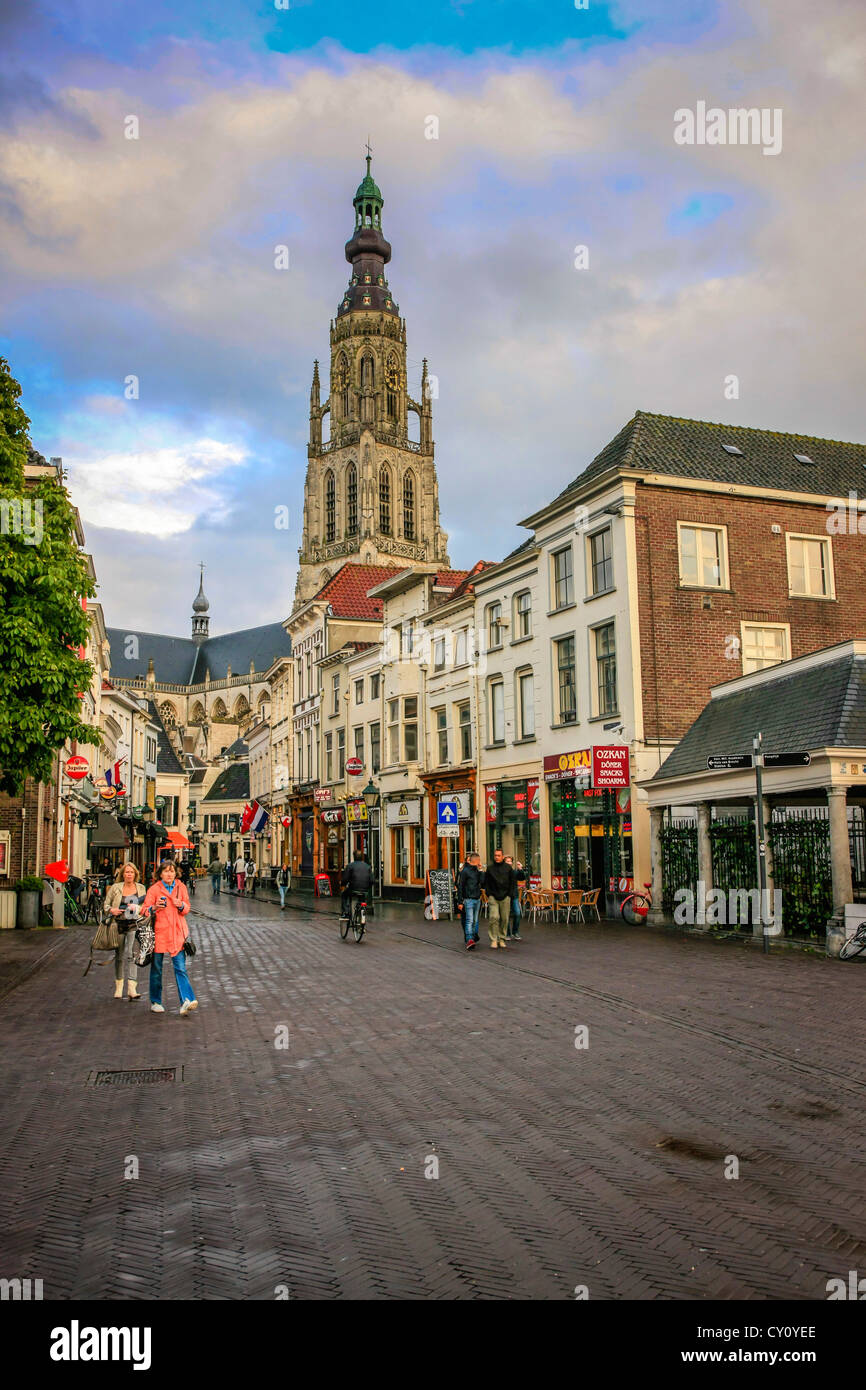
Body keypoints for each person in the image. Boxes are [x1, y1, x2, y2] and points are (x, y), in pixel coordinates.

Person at [141, 860, 197, 1015]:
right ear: (160, 873)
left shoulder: (181, 887)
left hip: (177, 933)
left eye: (172, 871)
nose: (169, 874)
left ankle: (186, 1000)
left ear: (175, 873)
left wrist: (180, 905)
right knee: (157, 968)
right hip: (159, 933)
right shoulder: (154, 889)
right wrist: (154, 907)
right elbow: (144, 910)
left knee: (180, 967)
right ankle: (156, 1001)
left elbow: (186, 908)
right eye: (166, 871)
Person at [104, 862, 146, 1000]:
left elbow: (145, 907)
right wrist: (112, 910)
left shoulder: (141, 888)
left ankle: (132, 988)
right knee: (119, 955)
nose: (129, 874)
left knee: (131, 953)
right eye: (127, 872)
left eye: (131, 872)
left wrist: (138, 909)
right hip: (118, 924)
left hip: (134, 924)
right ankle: (119, 986)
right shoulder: (116, 888)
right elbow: (106, 904)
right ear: (122, 874)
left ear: (135, 874)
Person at [483, 848, 514, 950]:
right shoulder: (490, 868)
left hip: (505, 896)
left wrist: (509, 894)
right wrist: (489, 894)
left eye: (498, 855)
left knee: (505, 918)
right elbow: (486, 882)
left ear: (502, 856)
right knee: (494, 917)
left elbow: (512, 882)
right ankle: (494, 939)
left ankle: (502, 938)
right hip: (493, 896)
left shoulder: (508, 868)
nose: (496, 857)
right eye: (495, 855)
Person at [457, 852, 483, 951]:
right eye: (479, 860)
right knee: (470, 920)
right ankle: (469, 939)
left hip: (477, 898)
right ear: (476, 861)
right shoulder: (465, 871)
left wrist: (481, 870)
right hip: (468, 899)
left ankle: (472, 937)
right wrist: (460, 901)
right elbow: (460, 886)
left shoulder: (477, 871)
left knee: (475, 921)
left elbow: (483, 882)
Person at [340, 851, 372, 922]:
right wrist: (367, 887)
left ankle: (345, 912)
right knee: (362, 899)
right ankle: (362, 914)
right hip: (364, 889)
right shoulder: (367, 866)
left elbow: (345, 879)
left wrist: (343, 885)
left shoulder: (350, 866)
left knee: (344, 895)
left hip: (353, 889)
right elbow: (372, 880)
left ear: (354, 857)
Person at [504, 856, 525, 941]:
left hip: (514, 895)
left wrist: (520, 869)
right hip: (505, 896)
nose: (509, 863)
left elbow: (522, 877)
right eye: (507, 861)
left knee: (517, 913)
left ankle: (515, 932)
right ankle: (507, 933)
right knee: (506, 915)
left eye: (510, 861)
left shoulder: (514, 872)